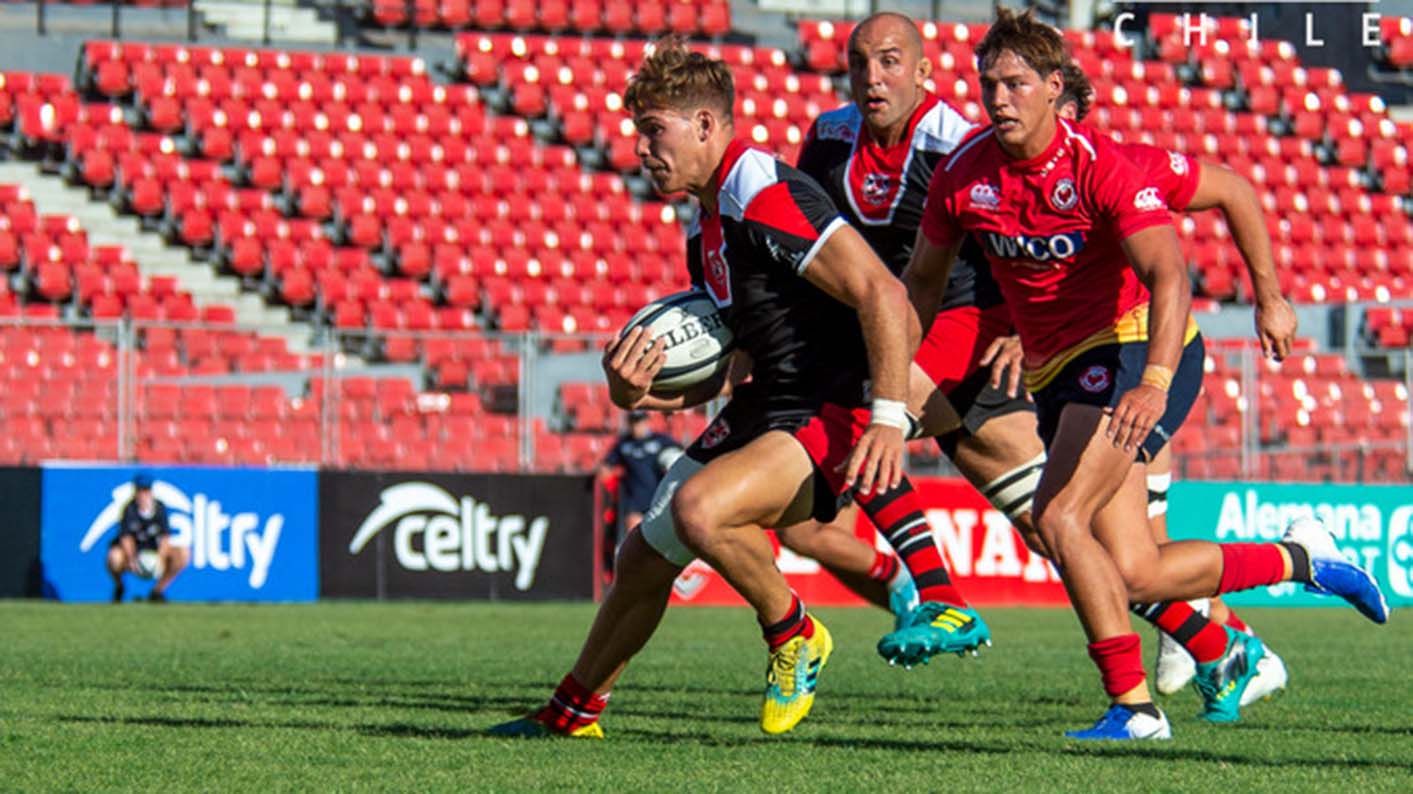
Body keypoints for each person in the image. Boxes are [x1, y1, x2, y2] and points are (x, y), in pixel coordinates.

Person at [906, 8, 1387, 740]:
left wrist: (1249, 311)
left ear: (1056, 92)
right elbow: (924, 287)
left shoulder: (1111, 166)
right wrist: (889, 383)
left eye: (1014, 84)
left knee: (1058, 517)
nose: (998, 98)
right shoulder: (964, 174)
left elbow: (1184, 254)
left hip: (1132, 349)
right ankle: (1302, 559)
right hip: (1058, 371)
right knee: (1133, 571)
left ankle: (1132, 707)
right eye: (987, 84)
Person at [787, 12, 1285, 704]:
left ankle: (935, 597)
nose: (874, 77)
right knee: (1079, 544)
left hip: (1039, 344)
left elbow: (1187, 241)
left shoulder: (1045, 156)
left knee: (848, 431)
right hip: (1002, 353)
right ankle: (1219, 643)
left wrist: (1262, 302)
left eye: (891, 60)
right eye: (860, 61)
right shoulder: (845, 141)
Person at [491, 39, 958, 739]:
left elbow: (881, 293)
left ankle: (793, 632)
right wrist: (634, 394)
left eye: (655, 130)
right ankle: (571, 713)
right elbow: (731, 366)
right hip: (769, 402)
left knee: (700, 510)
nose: (643, 149)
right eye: (638, 132)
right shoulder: (706, 223)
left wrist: (888, 421)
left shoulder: (760, 189)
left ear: (707, 125)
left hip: (831, 405)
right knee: (642, 558)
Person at [1052, 60, 1300, 703]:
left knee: (1073, 526)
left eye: (1062, 119)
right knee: (1126, 556)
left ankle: (1198, 652)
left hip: (1140, 362)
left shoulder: (1123, 167)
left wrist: (1268, 297)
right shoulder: (1003, 181)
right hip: (1067, 369)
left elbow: (1236, 192)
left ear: (1072, 113)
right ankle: (1226, 633)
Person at [599, 410, 683, 575]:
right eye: (634, 422)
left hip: (659, 498)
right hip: (634, 500)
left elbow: (680, 457)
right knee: (635, 539)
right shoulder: (624, 444)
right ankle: (637, 574)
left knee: (660, 539)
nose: (637, 426)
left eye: (640, 421)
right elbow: (605, 467)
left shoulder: (661, 441)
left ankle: (660, 572)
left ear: (647, 422)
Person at [106, 474, 188, 603]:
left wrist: (160, 558)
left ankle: (157, 591)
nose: (143, 495)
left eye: (146, 490)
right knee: (114, 557)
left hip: (154, 551)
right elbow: (126, 537)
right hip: (135, 553)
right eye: (140, 490)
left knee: (183, 553)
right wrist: (132, 559)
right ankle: (119, 586)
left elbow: (165, 537)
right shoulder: (129, 509)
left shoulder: (159, 508)